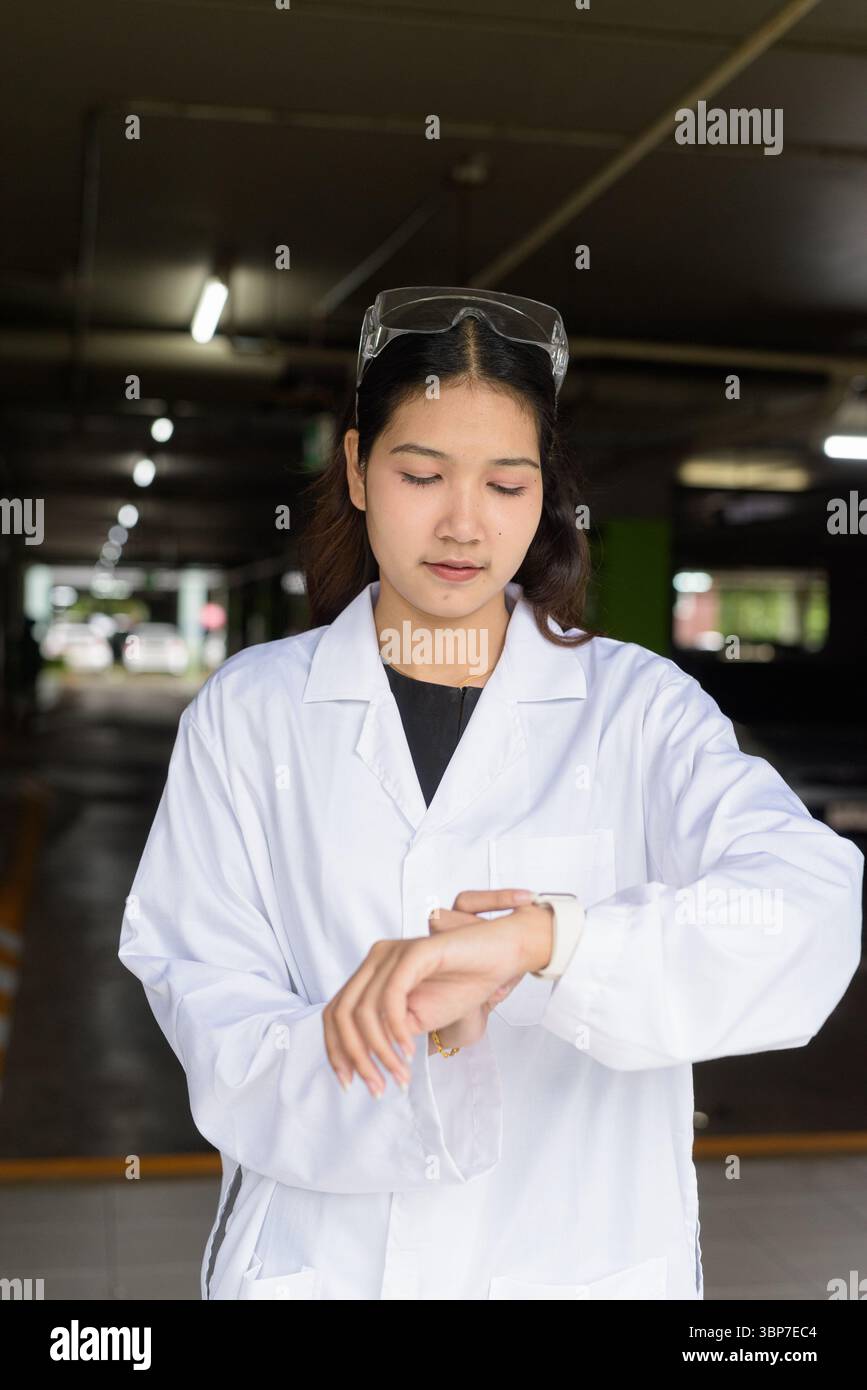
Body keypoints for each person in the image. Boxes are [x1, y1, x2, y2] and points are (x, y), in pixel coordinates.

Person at [117, 286, 864, 1302]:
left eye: (507, 485)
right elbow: (215, 1018)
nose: (464, 523)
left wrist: (548, 944)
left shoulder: (637, 709)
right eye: (422, 472)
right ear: (357, 469)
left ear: (545, 489)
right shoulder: (252, 715)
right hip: (325, 1270)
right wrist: (417, 1033)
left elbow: (810, 909)